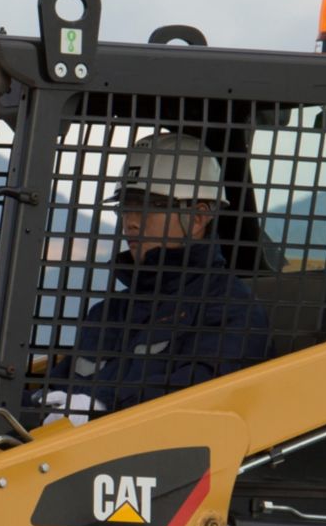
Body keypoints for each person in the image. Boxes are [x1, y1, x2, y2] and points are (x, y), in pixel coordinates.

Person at [42, 131, 271, 417]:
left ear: (197, 218)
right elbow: (53, 391)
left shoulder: (231, 312)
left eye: (147, 207)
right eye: (126, 207)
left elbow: (199, 401)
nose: (131, 223)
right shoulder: (107, 314)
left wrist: (101, 406)